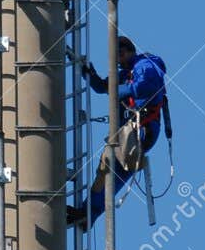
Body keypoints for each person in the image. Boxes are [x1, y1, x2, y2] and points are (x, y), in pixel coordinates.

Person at [67, 37, 168, 228]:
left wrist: (119, 90)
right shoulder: (125, 74)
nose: (119, 60)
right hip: (127, 132)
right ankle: (87, 213)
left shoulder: (145, 65)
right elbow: (103, 88)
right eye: (116, 58)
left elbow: (147, 86)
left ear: (130, 51)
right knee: (106, 171)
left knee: (112, 166)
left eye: (121, 55)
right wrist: (89, 73)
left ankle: (88, 213)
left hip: (140, 130)